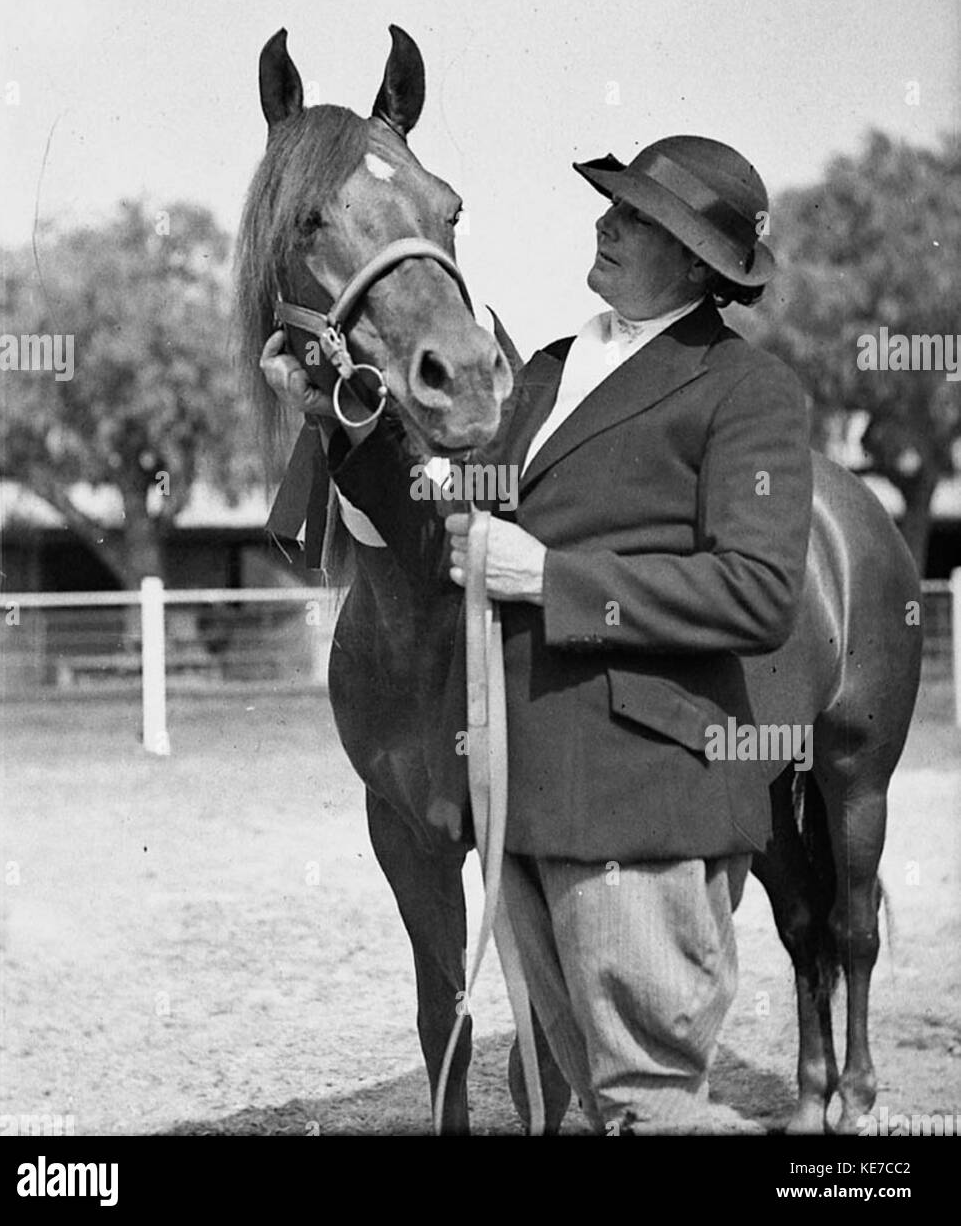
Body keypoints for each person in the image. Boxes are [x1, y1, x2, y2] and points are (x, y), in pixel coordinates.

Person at [261, 135, 813, 1134]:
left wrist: (549, 578)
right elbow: (455, 532)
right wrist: (337, 428)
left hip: (638, 805)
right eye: (612, 206)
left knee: (652, 1109)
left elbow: (757, 594)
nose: (604, 222)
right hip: (524, 805)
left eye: (635, 218)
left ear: (695, 262)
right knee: (581, 1100)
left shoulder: (746, 392)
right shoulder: (551, 372)